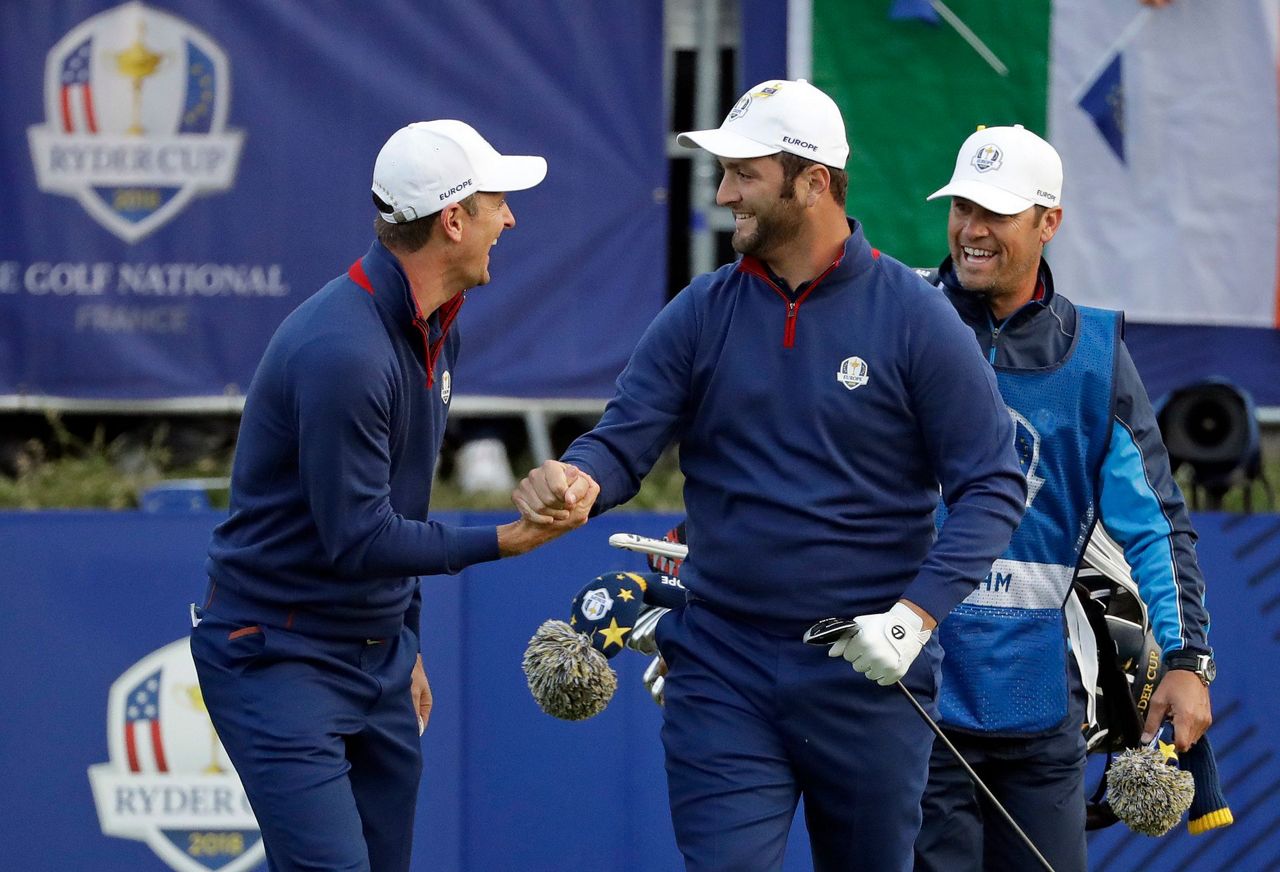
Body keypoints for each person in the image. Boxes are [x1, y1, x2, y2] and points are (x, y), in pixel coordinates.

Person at [513, 79, 1027, 872]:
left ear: (813, 181)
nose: (723, 194)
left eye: (744, 174)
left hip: (866, 672)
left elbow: (993, 482)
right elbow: (621, 443)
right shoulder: (700, 310)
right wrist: (577, 478)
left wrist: (914, 617)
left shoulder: (915, 315)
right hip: (722, 664)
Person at [190, 120, 594, 872]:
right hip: (278, 656)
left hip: (370, 653)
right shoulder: (344, 349)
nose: (510, 219)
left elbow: (394, 503)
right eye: (496, 202)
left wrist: (401, 635)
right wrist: (507, 539)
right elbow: (361, 538)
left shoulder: (434, 325)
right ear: (452, 221)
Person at [912, 124, 1214, 872]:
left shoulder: (1097, 354)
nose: (972, 231)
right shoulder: (899, 315)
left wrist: (1187, 659)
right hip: (908, 699)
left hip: (1038, 712)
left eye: (998, 213)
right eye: (962, 208)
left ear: (1049, 222)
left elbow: (1154, 527)